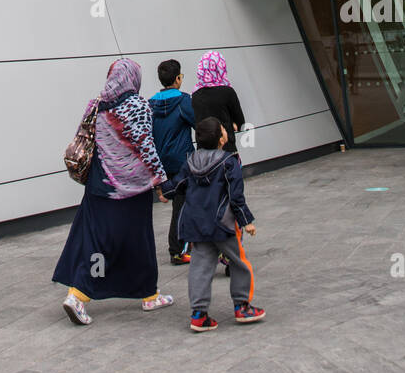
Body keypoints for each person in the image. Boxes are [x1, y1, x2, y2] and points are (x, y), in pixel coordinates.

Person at [53, 58, 174, 326]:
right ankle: (77, 295)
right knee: (114, 244)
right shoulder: (138, 105)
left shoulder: (95, 104)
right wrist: (162, 183)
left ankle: (149, 293)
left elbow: (83, 139)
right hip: (131, 190)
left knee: (124, 243)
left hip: (100, 187)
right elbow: (147, 147)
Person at [161, 117, 265, 332]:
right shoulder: (229, 161)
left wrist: (163, 190)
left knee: (200, 268)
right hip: (223, 225)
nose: (226, 131)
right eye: (223, 130)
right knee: (239, 263)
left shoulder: (190, 162)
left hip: (196, 225)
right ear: (220, 138)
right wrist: (247, 221)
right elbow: (236, 196)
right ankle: (242, 306)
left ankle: (199, 314)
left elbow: (177, 185)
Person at [149, 59, 196, 265]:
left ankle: (185, 245)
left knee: (180, 202)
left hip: (162, 163)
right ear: (177, 79)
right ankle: (178, 250)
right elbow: (198, 122)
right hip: (183, 161)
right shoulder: (184, 101)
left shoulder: (150, 103)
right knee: (184, 204)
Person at [191, 50, 245, 155]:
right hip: (226, 149)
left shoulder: (195, 95)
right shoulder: (227, 91)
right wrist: (232, 124)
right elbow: (240, 122)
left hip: (203, 153)